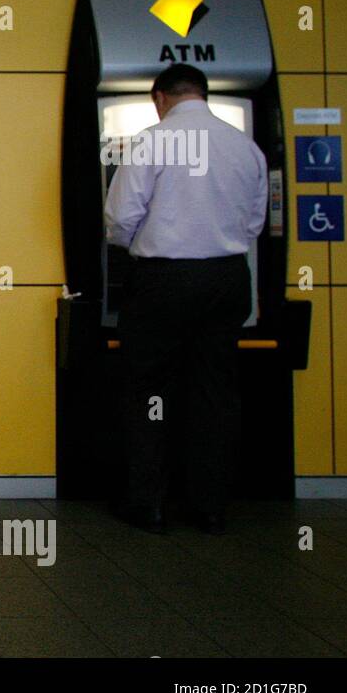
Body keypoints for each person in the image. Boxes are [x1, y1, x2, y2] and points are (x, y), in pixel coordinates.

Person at [104, 63, 267, 535]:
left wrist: (137, 242)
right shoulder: (244, 146)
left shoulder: (152, 141)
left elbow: (120, 217)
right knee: (215, 390)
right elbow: (254, 224)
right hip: (228, 277)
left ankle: (148, 503)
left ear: (160, 98)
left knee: (149, 389)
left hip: (164, 280)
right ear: (203, 93)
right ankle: (209, 506)